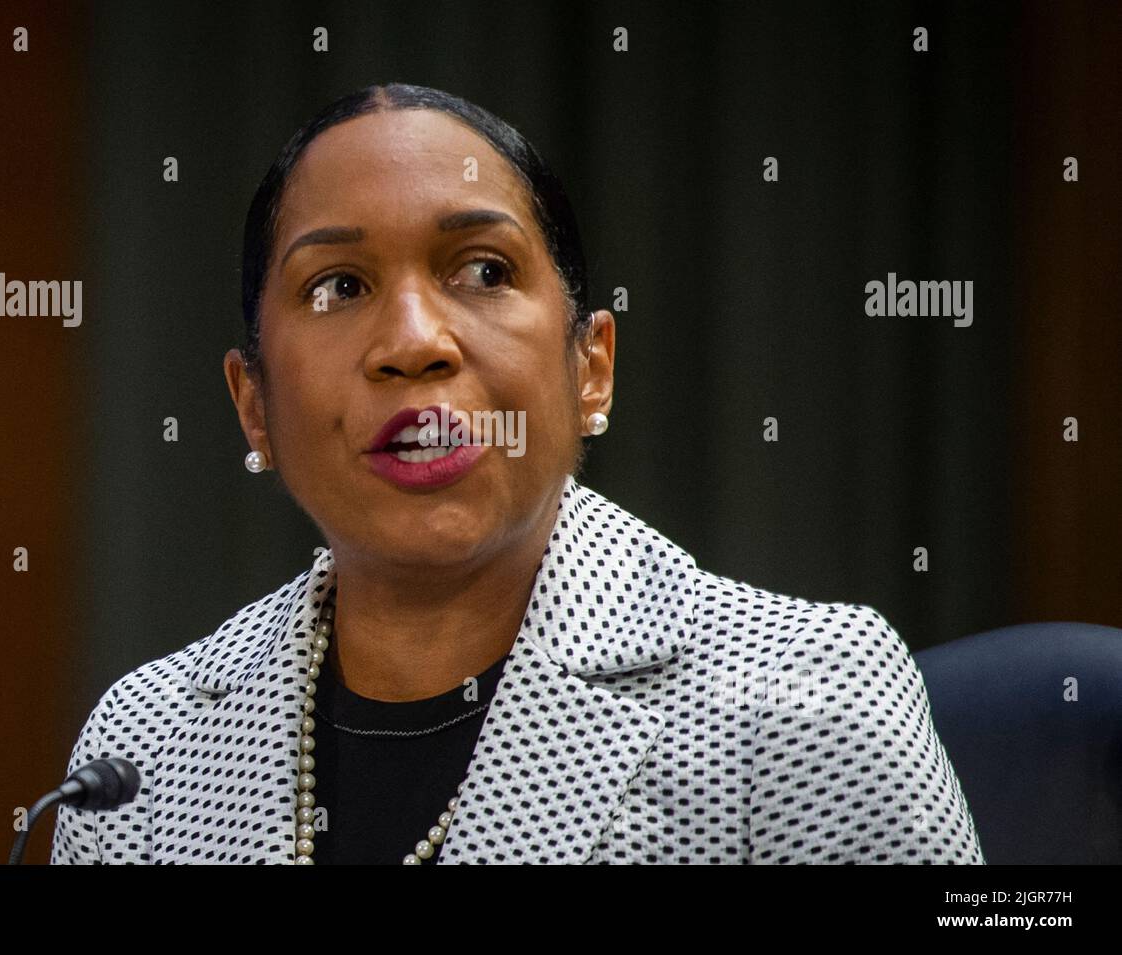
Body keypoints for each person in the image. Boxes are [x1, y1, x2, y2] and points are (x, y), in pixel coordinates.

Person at [51, 83, 985, 864]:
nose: (413, 343)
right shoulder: (143, 747)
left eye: (484, 270)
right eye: (338, 285)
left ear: (592, 368)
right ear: (252, 401)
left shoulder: (806, 701)